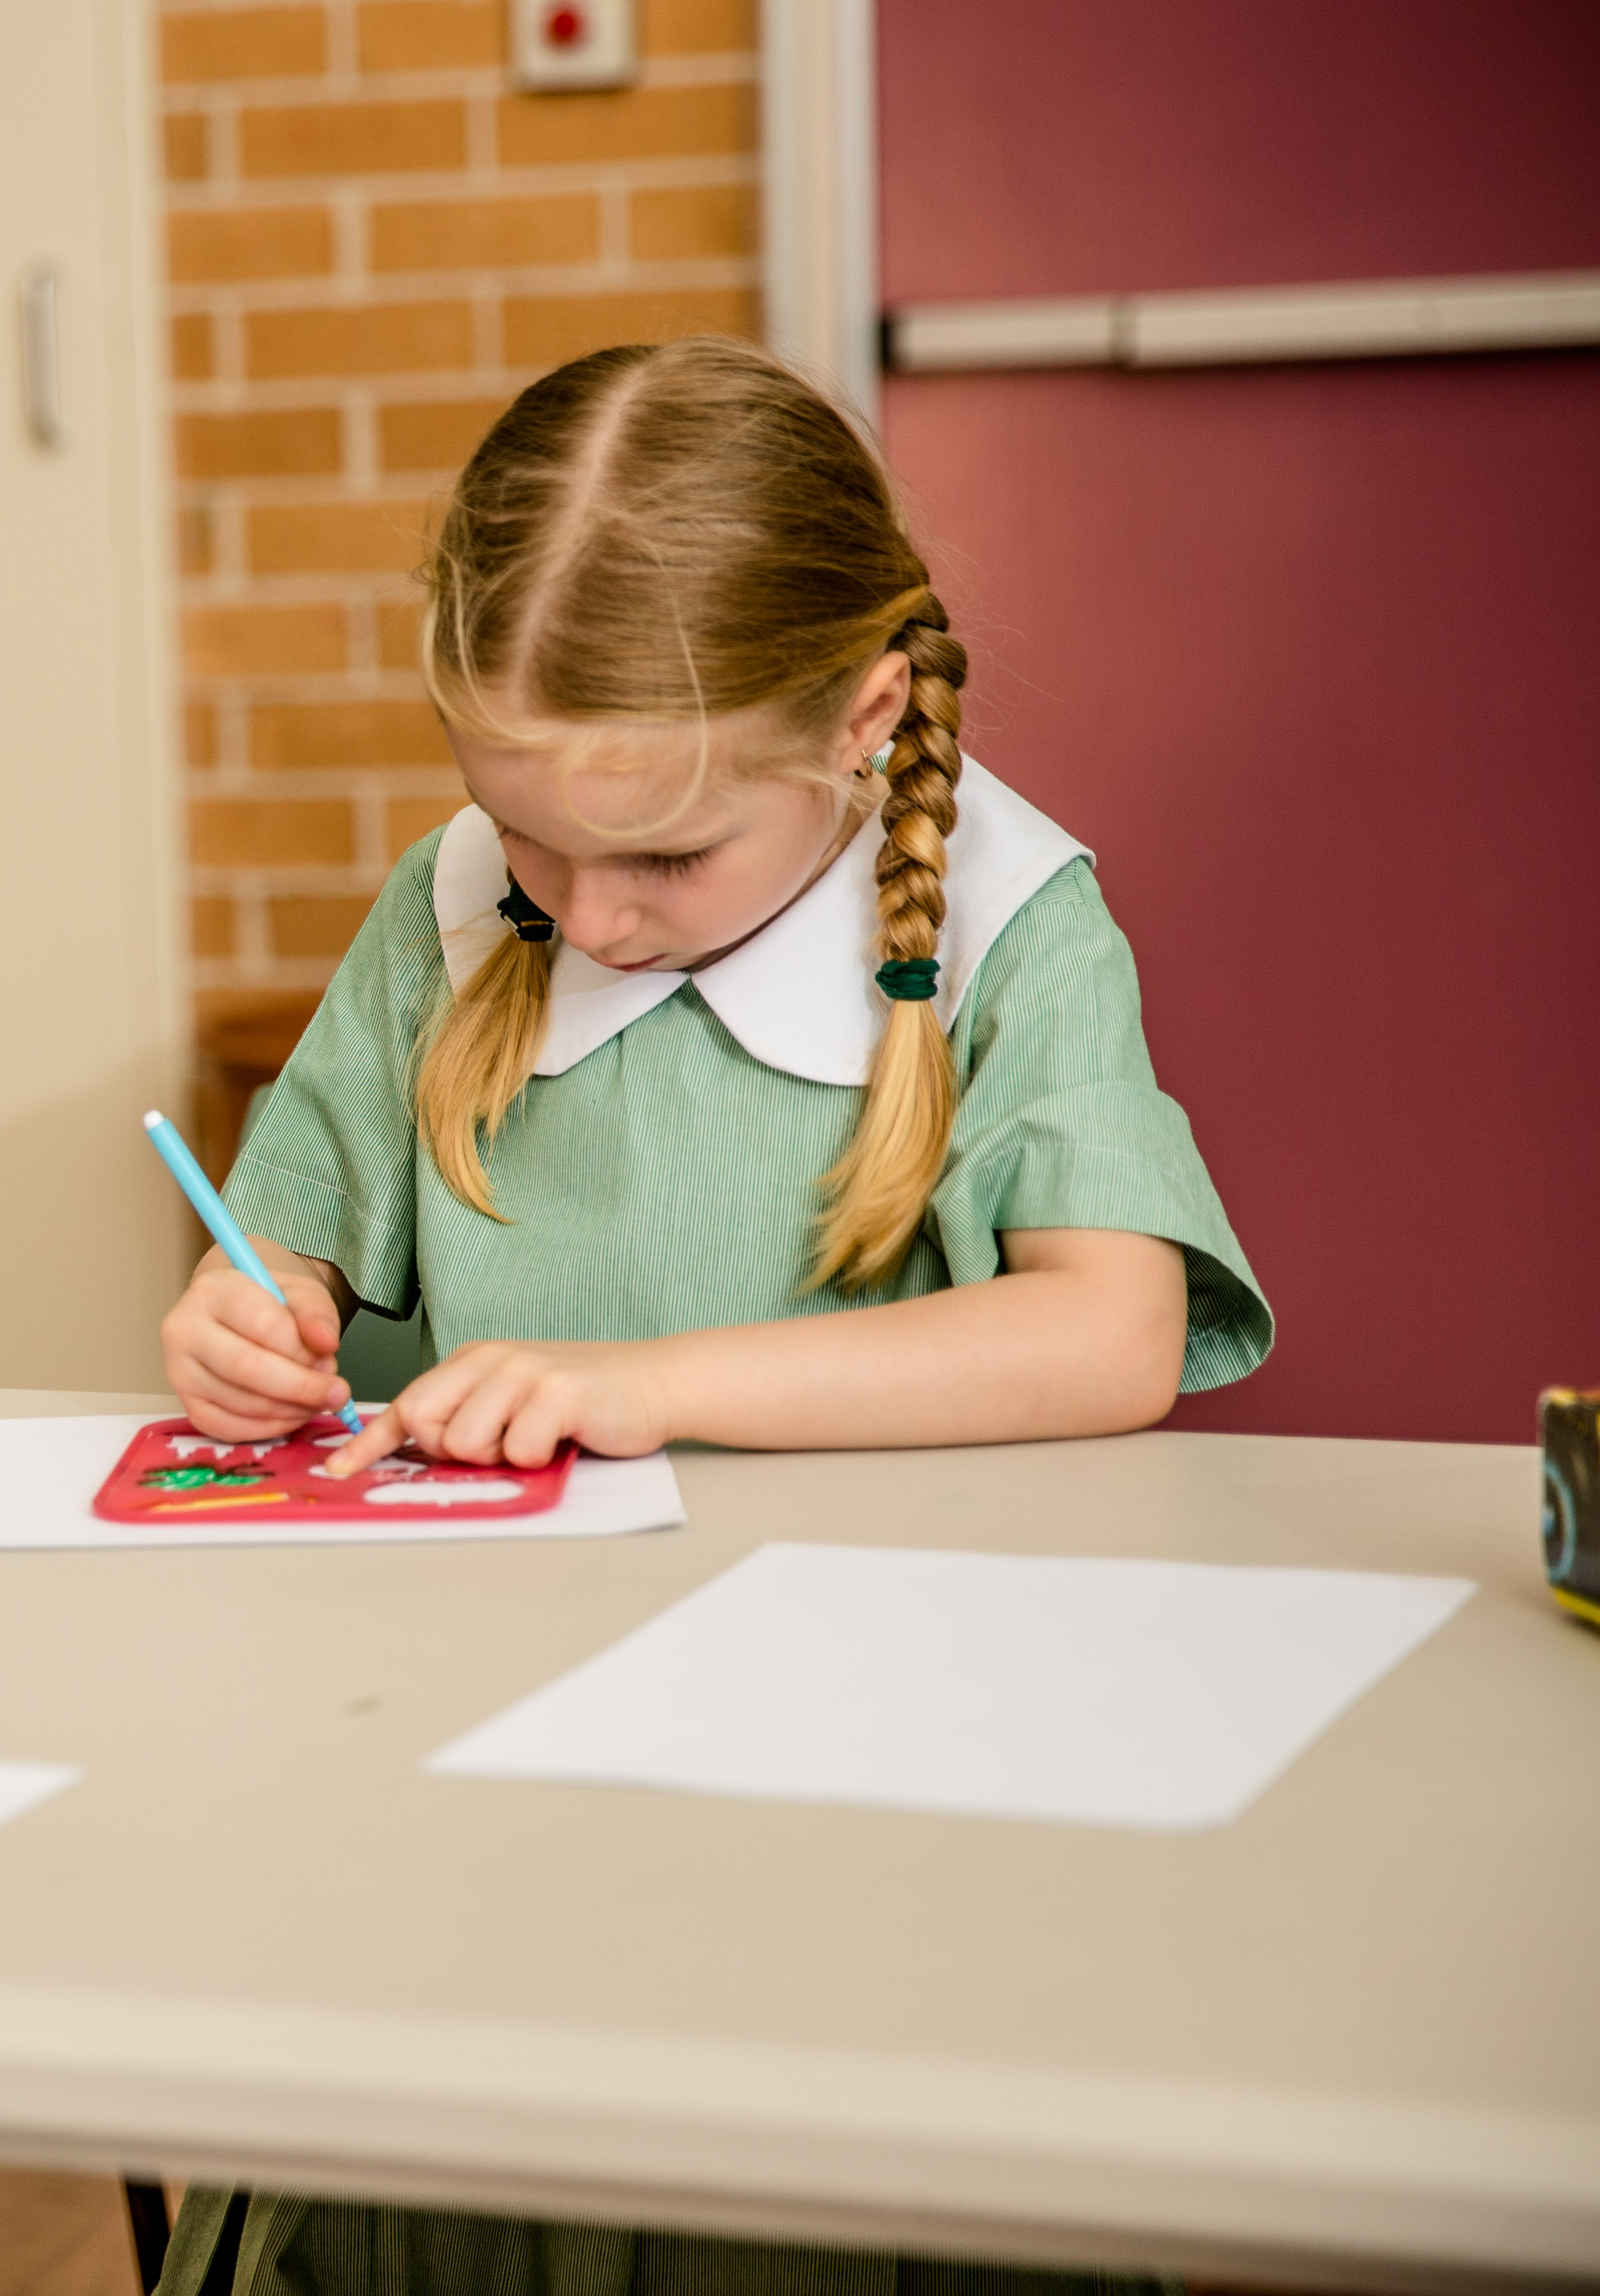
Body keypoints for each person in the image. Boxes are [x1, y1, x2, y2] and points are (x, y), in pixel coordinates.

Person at [154, 337, 1267, 2295]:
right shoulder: (449, 909)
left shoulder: (1012, 922)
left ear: (859, 721)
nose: (583, 916)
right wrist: (255, 1310)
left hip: (877, 1830)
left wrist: (640, 1385)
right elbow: (290, 1235)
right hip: (473, 1807)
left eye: (662, 853)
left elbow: (1107, 1332)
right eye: (530, 841)